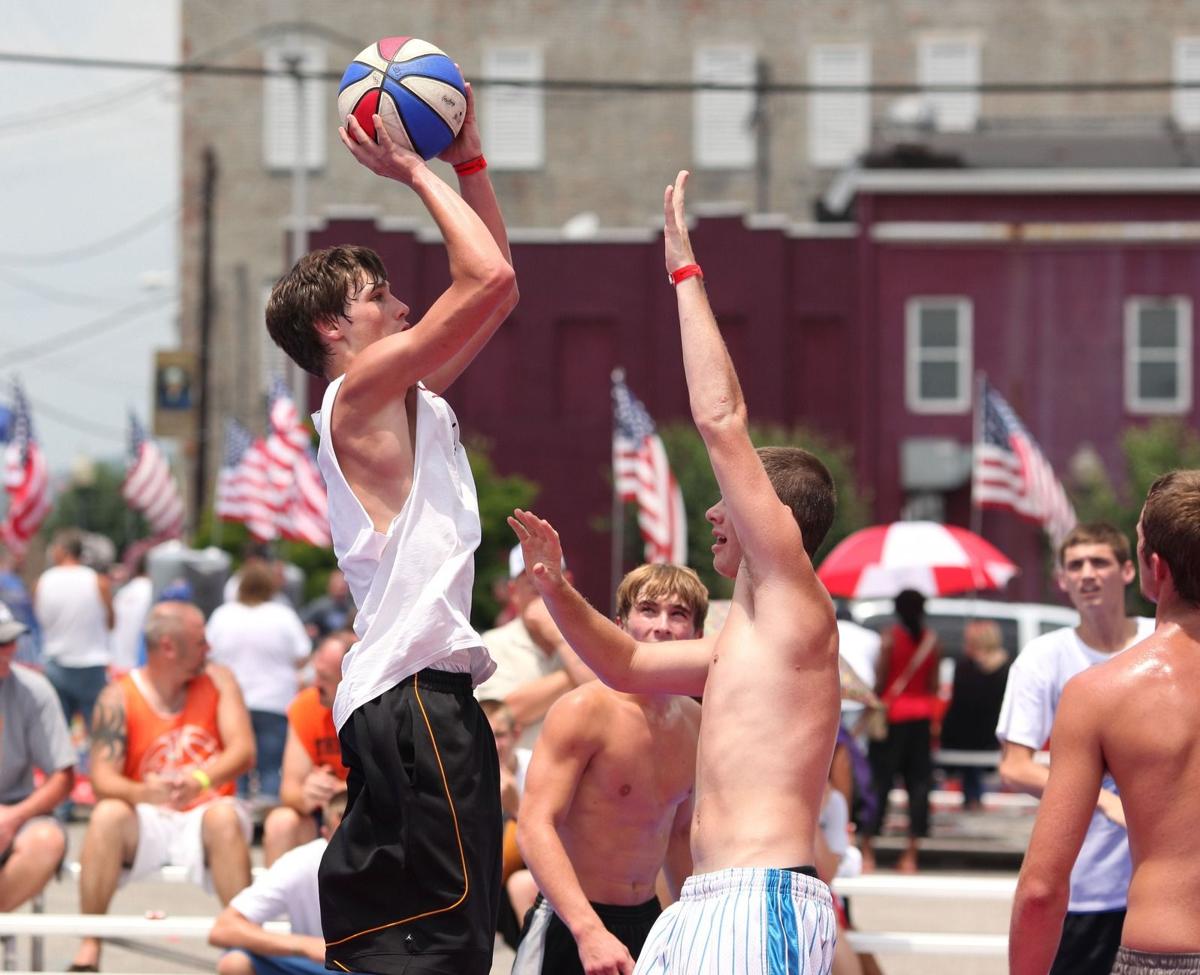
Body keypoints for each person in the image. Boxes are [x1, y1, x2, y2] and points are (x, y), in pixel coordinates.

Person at [508, 170, 840, 974]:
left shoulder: (796, 601)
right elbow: (623, 660)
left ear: (776, 521)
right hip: (699, 904)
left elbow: (721, 421)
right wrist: (555, 585)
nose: (716, 514)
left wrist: (684, 274)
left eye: (733, 502)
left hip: (763, 897)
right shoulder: (742, 639)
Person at [265, 80, 517, 975]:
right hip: (413, 695)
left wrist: (470, 155)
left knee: (404, 944)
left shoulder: (405, 403)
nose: (403, 304)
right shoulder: (358, 396)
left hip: (405, 693)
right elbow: (486, 275)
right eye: (379, 295)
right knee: (441, 949)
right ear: (336, 325)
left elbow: (497, 287)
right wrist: (417, 165)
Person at [1011, 476, 1200, 975]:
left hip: (1163, 949)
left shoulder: (1100, 693)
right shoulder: (1054, 664)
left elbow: (1042, 888)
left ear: (1153, 566)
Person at [511, 563, 706, 975]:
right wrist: (587, 930)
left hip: (648, 923)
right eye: (648, 610)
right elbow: (534, 825)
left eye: (679, 614)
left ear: (698, 636)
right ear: (620, 625)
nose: (662, 627)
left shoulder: (695, 723)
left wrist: (696, 924)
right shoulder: (584, 709)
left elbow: (679, 835)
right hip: (569, 921)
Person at [997, 522, 1154, 975]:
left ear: (1128, 571)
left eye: (1100, 562)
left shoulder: (1162, 641)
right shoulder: (1044, 658)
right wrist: (1103, 800)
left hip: (1161, 891)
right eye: (1075, 565)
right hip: (1084, 889)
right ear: (1061, 581)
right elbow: (1015, 767)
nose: (1088, 574)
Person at [69, 601, 255, 972]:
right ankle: (91, 942)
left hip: (206, 809)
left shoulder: (219, 681)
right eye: (200, 642)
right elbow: (102, 779)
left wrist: (200, 780)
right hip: (148, 813)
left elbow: (243, 750)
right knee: (107, 814)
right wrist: (143, 793)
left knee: (223, 819)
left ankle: (244, 943)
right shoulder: (119, 695)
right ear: (169, 646)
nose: (209, 650)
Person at [210, 791, 348, 975]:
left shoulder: (394, 860)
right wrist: (305, 945)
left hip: (375, 966)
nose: (351, 845)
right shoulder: (303, 861)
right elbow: (224, 928)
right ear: (324, 834)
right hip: (320, 962)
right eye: (341, 835)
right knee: (235, 962)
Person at [206, 562, 311, 802]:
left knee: (234, 766)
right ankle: (266, 821)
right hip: (275, 699)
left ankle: (237, 811)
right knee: (271, 766)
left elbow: (208, 654)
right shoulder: (283, 615)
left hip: (231, 701)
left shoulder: (223, 615)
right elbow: (302, 654)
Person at [476, 546, 595, 749]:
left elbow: (612, 699)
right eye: (533, 585)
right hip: (518, 776)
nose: (545, 593)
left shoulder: (591, 637)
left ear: (569, 583)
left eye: (553, 582)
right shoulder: (491, 645)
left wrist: (560, 638)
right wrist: (580, 672)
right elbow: (499, 716)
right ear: (514, 592)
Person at [0, 604, 76, 911]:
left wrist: (12, 817)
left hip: (18, 811)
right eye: (1, 643)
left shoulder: (33, 689)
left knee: (46, 841)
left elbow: (63, 776)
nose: (11, 650)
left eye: (11, 641)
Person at [859, 589, 940, 874]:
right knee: (918, 786)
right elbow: (933, 684)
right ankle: (911, 855)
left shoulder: (890, 637)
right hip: (921, 718)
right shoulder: (931, 641)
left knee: (880, 783)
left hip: (893, 716)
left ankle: (867, 850)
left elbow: (881, 680)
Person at [261, 632, 353, 866]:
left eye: (324, 677)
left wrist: (340, 790)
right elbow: (289, 790)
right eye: (315, 674)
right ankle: (276, 902)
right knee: (280, 823)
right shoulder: (306, 705)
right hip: (321, 817)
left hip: (368, 813)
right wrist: (308, 795)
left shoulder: (378, 709)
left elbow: (393, 785)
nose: (315, 684)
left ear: (350, 678)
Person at [34, 528, 113, 737]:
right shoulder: (98, 581)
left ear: (62, 550)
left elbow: (42, 621)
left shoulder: (44, 581)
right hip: (91, 665)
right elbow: (111, 622)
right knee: (99, 736)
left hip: (57, 664)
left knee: (56, 737)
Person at [939, 620, 1011, 811]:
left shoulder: (965, 667)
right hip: (993, 731)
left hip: (968, 732)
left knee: (968, 771)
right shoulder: (1008, 667)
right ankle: (975, 799)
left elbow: (961, 703)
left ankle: (972, 800)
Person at [299, 569, 354, 642]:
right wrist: (309, 629)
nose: (341, 588)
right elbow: (299, 622)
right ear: (330, 586)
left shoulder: (352, 607)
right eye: (338, 585)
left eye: (344, 585)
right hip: (325, 644)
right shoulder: (320, 606)